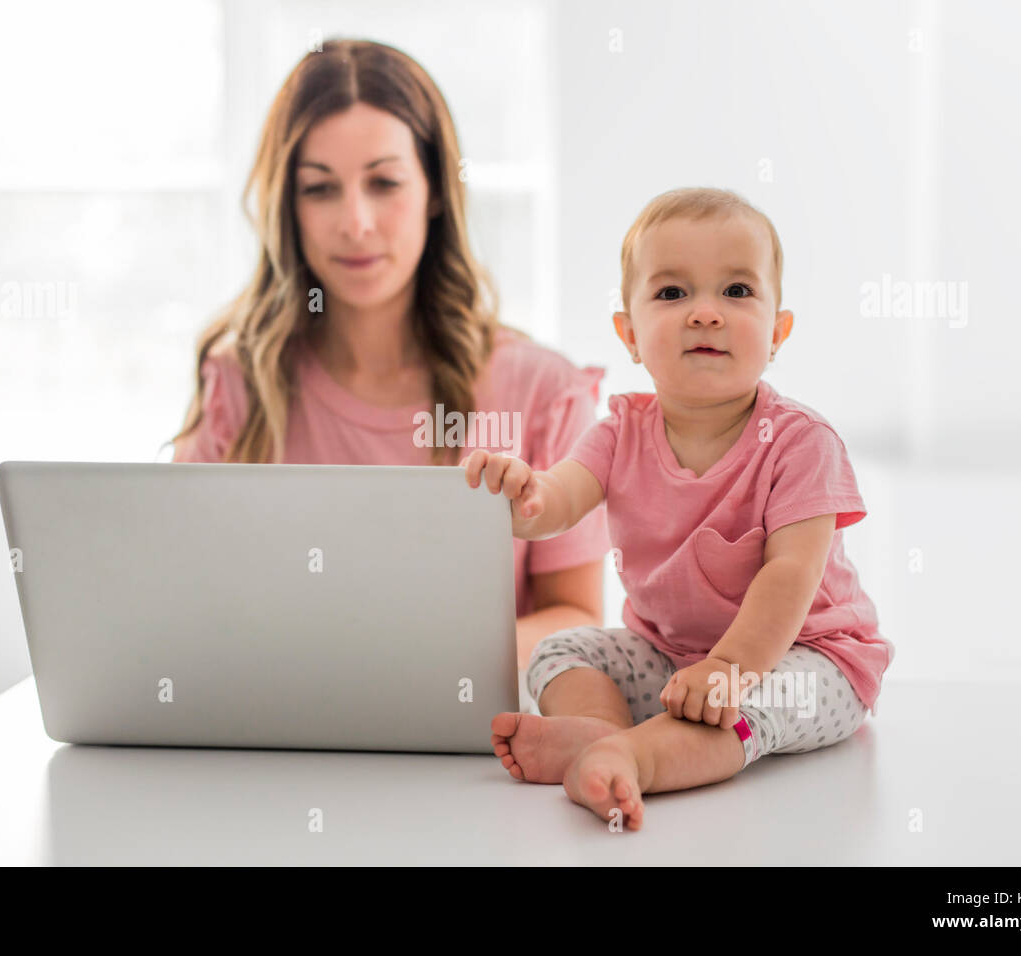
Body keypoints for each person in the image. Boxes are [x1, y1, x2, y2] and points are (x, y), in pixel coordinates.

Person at [167, 38, 610, 672]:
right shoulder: (241, 382)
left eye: (384, 182)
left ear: (434, 189)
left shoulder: (544, 392)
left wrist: (402, 665)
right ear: (287, 207)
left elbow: (578, 619)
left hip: (470, 751)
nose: (355, 222)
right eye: (319, 189)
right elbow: (181, 602)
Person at [465, 187, 894, 828]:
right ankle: (601, 739)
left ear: (778, 333)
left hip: (807, 657)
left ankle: (639, 758)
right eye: (672, 294)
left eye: (736, 292)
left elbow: (791, 577)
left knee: (756, 708)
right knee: (559, 651)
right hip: (673, 657)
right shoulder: (620, 428)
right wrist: (520, 494)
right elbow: (558, 499)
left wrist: (729, 668)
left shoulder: (803, 443)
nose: (705, 314)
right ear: (629, 334)